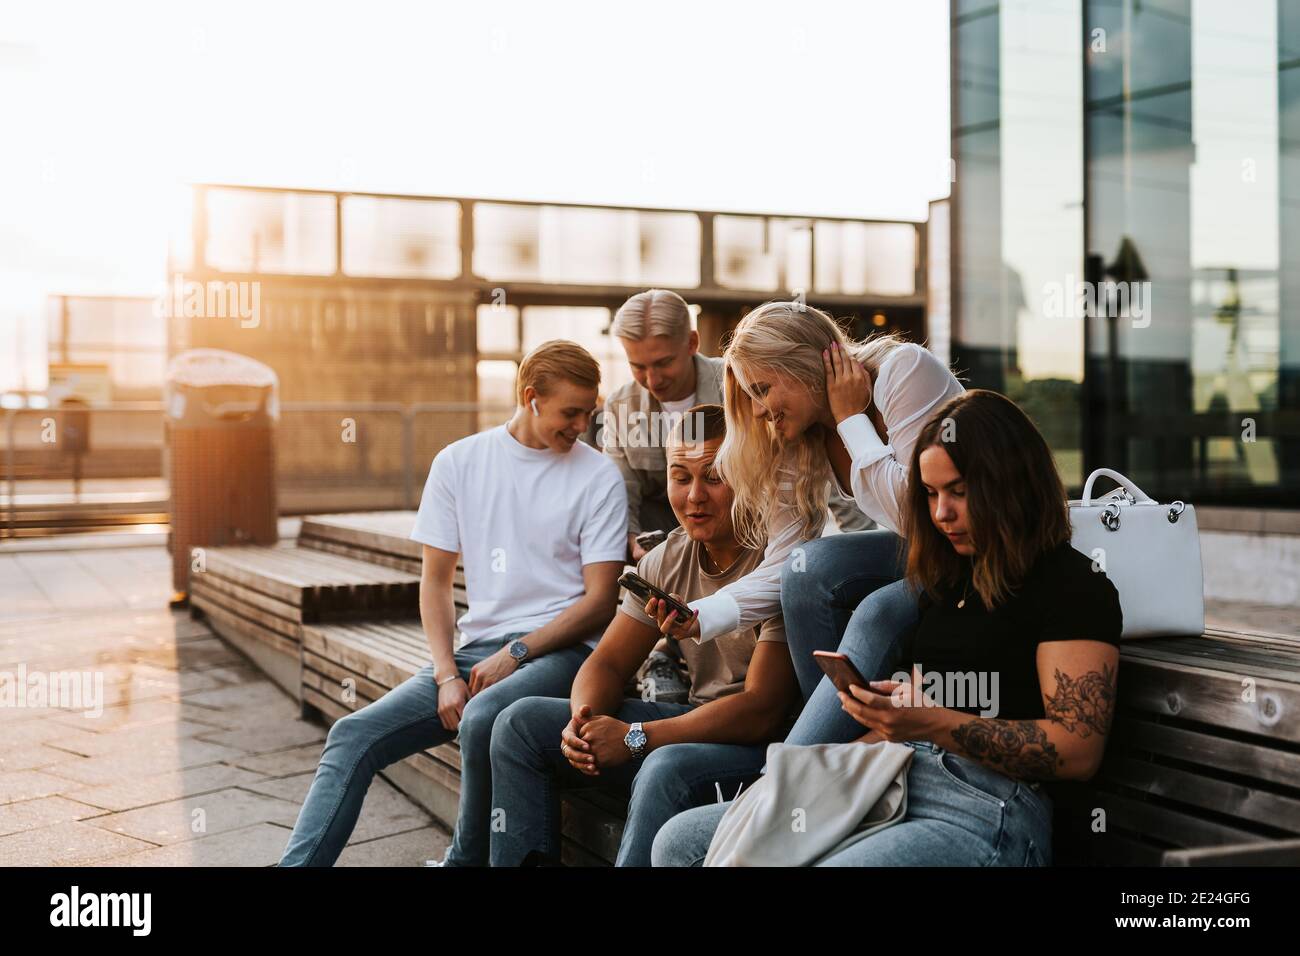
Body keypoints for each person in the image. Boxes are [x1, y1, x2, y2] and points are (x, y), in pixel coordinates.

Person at [652, 389, 1123, 866]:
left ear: (1013, 483)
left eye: (959, 491)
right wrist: (848, 752)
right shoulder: (951, 580)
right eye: (931, 494)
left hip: (987, 806)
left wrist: (931, 723)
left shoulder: (1072, 587)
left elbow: (1076, 751)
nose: (941, 514)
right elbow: (918, 719)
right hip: (896, 779)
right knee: (681, 841)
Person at [279, 340, 628, 867]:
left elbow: (601, 602)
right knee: (352, 736)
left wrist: (516, 651)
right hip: (474, 653)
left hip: (566, 652)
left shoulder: (598, 476)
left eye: (589, 413)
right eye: (571, 413)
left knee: (484, 714)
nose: (582, 425)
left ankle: (462, 862)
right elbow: (435, 581)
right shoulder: (459, 462)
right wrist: (445, 673)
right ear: (531, 398)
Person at [489, 404, 799, 866]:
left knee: (663, 765)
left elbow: (762, 711)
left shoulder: (781, 562)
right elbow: (609, 663)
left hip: (761, 751)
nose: (694, 496)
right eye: (680, 476)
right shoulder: (667, 559)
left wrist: (635, 736)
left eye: (715, 477)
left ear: (751, 475)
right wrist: (584, 722)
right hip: (692, 723)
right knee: (520, 724)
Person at [647, 301, 962, 708]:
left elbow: (923, 512)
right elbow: (784, 561)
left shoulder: (903, 370)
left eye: (762, 390)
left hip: (969, 549)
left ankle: (809, 756)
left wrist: (851, 419)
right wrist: (702, 615)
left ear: (801, 366)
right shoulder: (799, 436)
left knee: (875, 611)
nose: (759, 410)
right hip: (920, 554)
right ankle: (825, 740)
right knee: (807, 566)